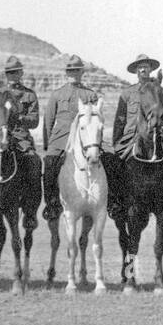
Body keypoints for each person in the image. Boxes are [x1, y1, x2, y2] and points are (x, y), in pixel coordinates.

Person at [111, 52, 163, 220]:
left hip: (155, 135)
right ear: (136, 70)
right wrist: (116, 143)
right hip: (130, 138)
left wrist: (157, 121)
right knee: (113, 165)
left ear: (151, 69)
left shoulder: (160, 90)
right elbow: (119, 120)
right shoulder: (127, 93)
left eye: (146, 66)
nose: (143, 69)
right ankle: (116, 203)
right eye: (140, 66)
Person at [0, 56, 42, 224]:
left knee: (34, 163)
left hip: (19, 137)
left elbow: (34, 121)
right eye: (9, 72)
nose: (12, 75)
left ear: (21, 73)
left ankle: (30, 212)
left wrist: (17, 117)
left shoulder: (29, 95)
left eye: (15, 72)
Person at [41, 54, 99, 221]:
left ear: (82, 72)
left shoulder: (90, 95)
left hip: (85, 140)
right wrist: (48, 145)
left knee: (107, 161)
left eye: (77, 70)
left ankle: (109, 202)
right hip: (61, 139)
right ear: (67, 73)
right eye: (71, 70)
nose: (74, 73)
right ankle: (51, 204)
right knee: (50, 167)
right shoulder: (57, 94)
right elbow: (48, 120)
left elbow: (96, 119)